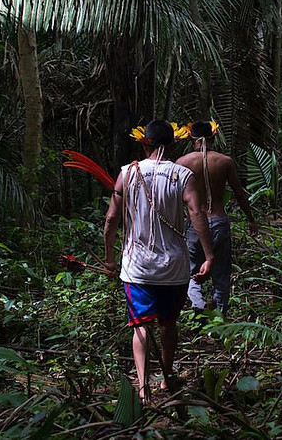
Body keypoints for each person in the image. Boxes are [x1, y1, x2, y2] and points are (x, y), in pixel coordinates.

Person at [102, 120, 215, 402]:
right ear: (174, 144)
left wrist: (109, 258)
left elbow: (111, 219)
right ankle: (165, 378)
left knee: (140, 325)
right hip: (174, 268)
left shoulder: (127, 173)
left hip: (136, 267)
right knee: (168, 324)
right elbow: (197, 213)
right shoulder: (183, 175)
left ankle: (142, 387)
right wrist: (209, 254)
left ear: (144, 143)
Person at [177, 121, 259, 314]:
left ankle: (198, 304)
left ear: (191, 138)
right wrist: (251, 219)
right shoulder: (224, 161)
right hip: (219, 221)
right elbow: (239, 193)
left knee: (190, 271)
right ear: (214, 137)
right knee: (221, 272)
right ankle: (220, 316)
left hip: (195, 224)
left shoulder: (182, 162)